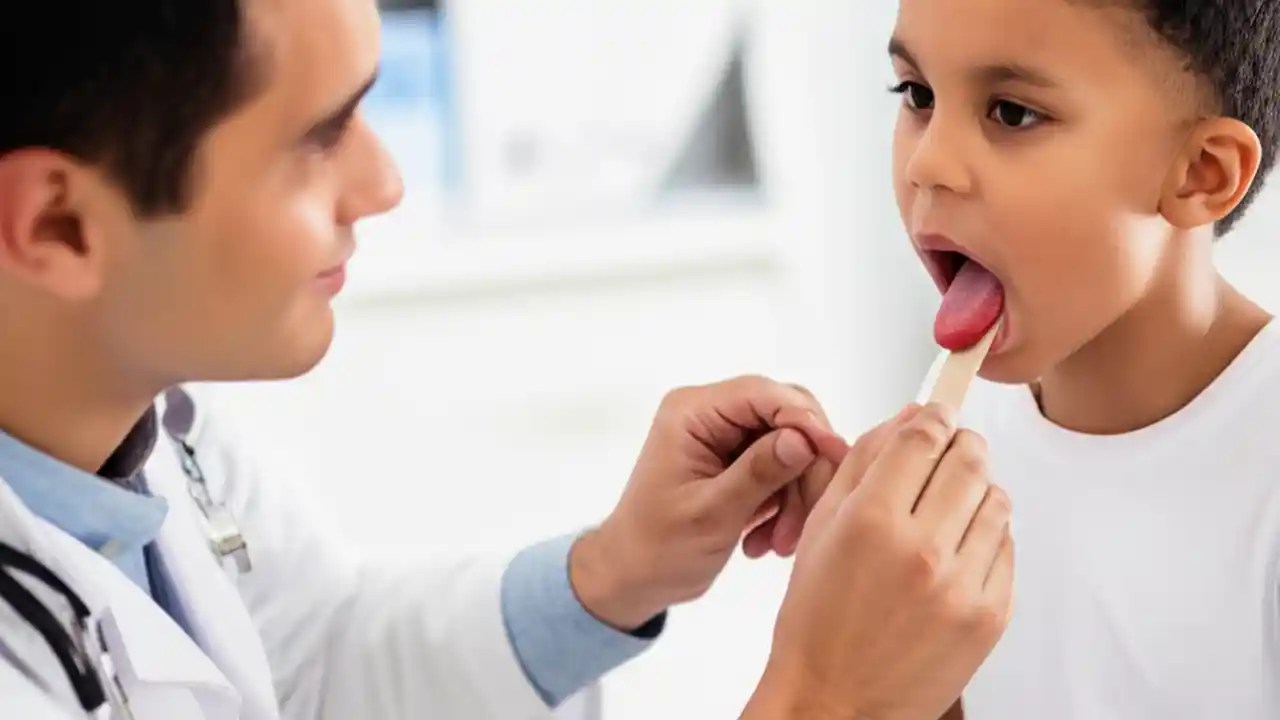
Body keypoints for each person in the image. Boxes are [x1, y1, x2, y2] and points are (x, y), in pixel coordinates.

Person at [0, 1, 1015, 719]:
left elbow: (306, 673)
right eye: (316, 139)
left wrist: (612, 574)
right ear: (59, 222)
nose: (385, 181)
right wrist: (826, 697)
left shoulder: (136, 425)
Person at [888, 0, 1280, 717]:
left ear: (1200, 172)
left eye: (1010, 113)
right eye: (917, 94)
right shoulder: (958, 430)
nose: (928, 162)